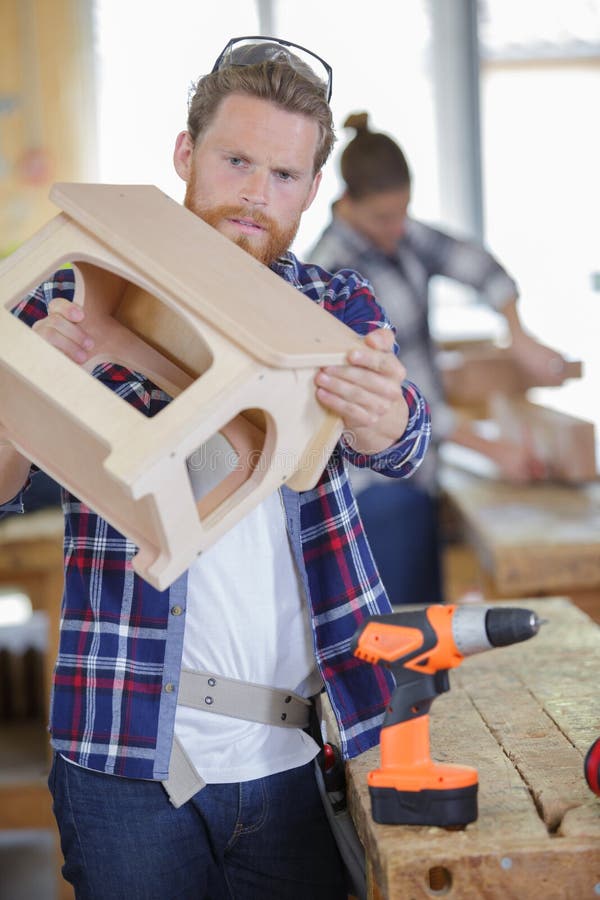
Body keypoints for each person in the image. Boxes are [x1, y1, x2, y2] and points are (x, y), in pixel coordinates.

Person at [0, 41, 431, 900]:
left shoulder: (335, 304)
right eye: (236, 161)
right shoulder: (72, 291)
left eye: (284, 174)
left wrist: (386, 415)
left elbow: (404, 439)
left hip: (300, 753)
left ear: (311, 189)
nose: (256, 193)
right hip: (123, 751)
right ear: (185, 153)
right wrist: (24, 392)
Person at [309, 111, 570, 606]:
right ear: (346, 202)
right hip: (375, 488)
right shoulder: (331, 277)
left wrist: (518, 334)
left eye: (403, 212)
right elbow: (396, 398)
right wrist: (491, 449)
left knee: (428, 625)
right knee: (400, 631)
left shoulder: (402, 235)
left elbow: (479, 266)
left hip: (420, 474)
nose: (397, 227)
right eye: (383, 217)